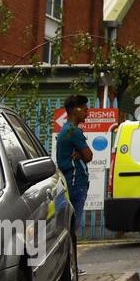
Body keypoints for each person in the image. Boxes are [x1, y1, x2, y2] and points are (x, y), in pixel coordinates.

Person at [55, 94, 92, 235]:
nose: (87, 113)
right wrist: (82, 154)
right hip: (76, 183)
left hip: (70, 182)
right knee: (72, 226)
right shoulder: (73, 132)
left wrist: (79, 154)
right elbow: (89, 156)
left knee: (68, 225)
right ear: (76, 110)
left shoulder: (66, 129)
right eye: (85, 110)